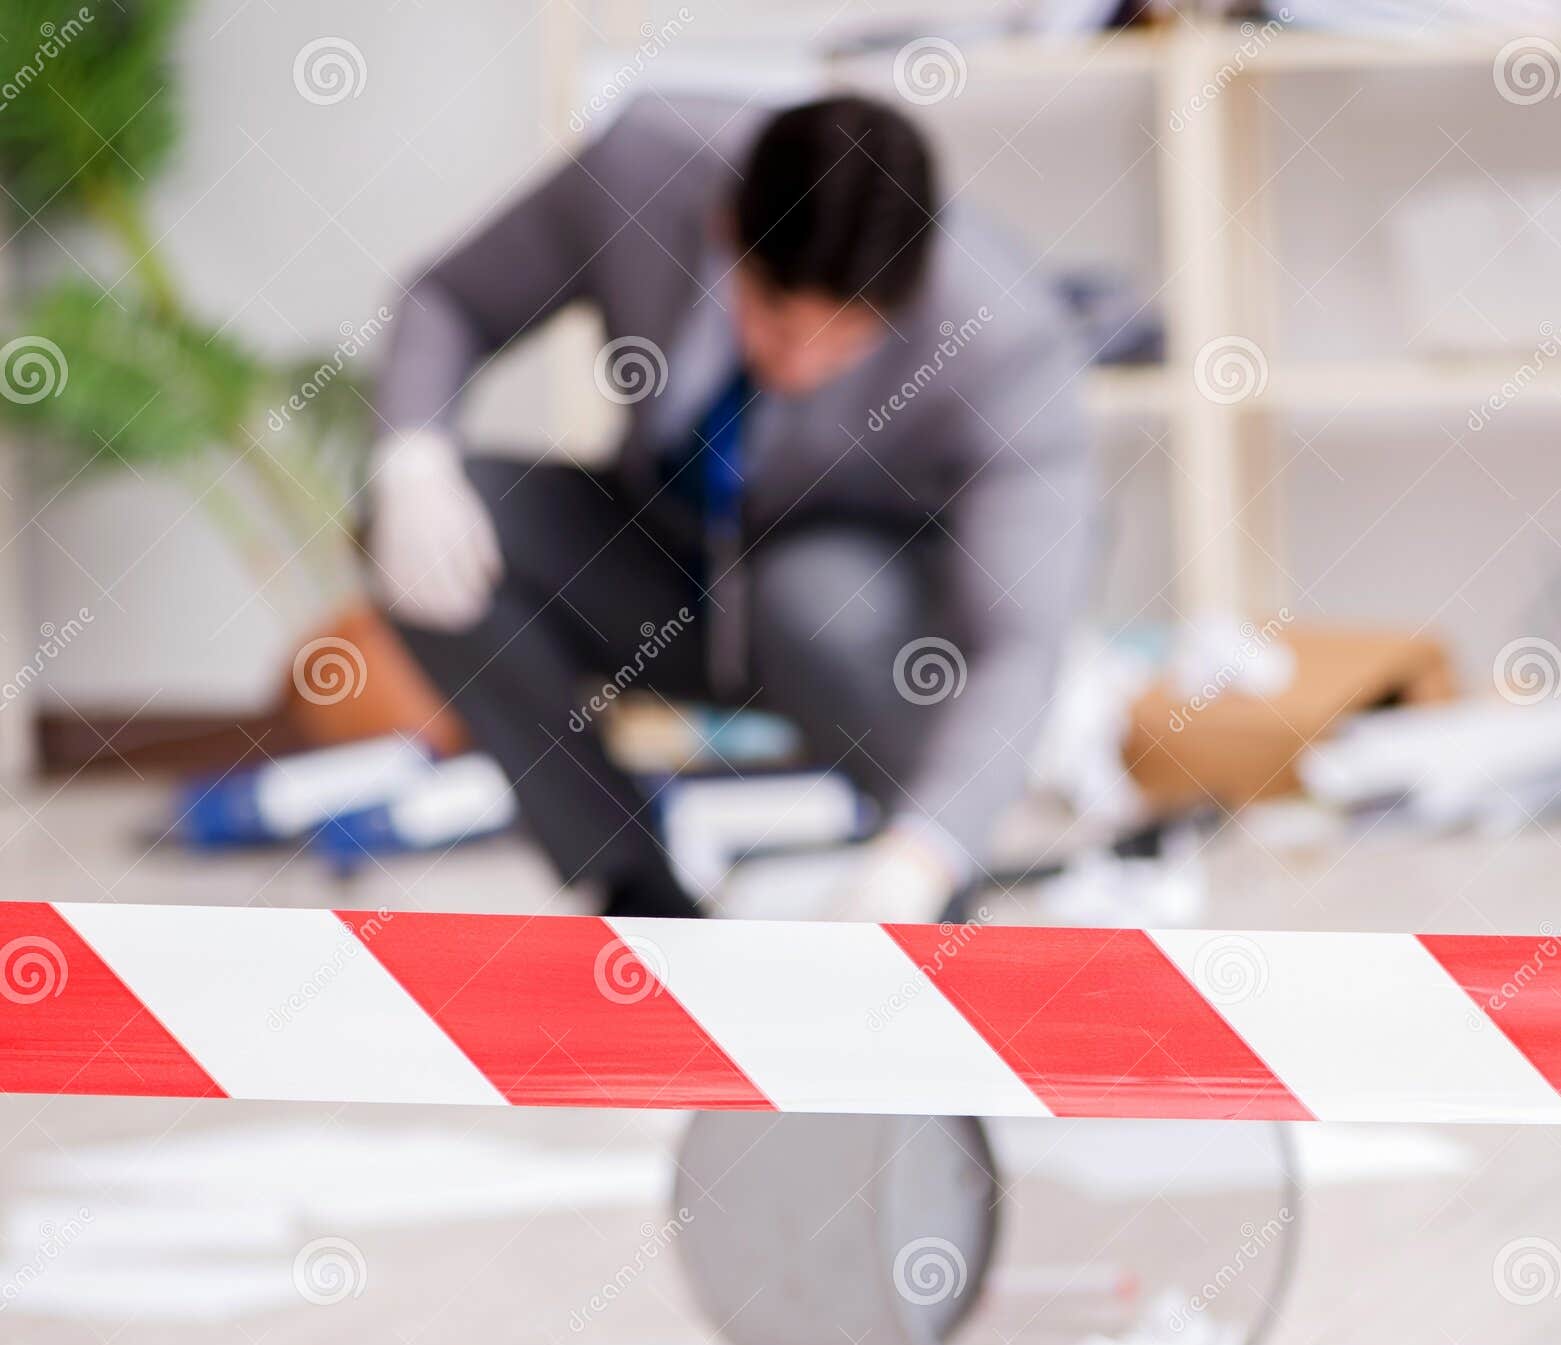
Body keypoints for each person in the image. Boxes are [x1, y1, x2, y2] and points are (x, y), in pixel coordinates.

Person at [371, 92, 1092, 920]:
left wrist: (923, 856)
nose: (801, 360)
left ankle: (924, 880)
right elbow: (448, 298)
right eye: (776, 321)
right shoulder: (639, 168)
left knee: (814, 598)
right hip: (669, 565)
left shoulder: (1005, 341)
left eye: (842, 335)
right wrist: (411, 457)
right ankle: (636, 887)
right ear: (726, 229)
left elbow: (1020, 643)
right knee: (457, 522)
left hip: (852, 638)